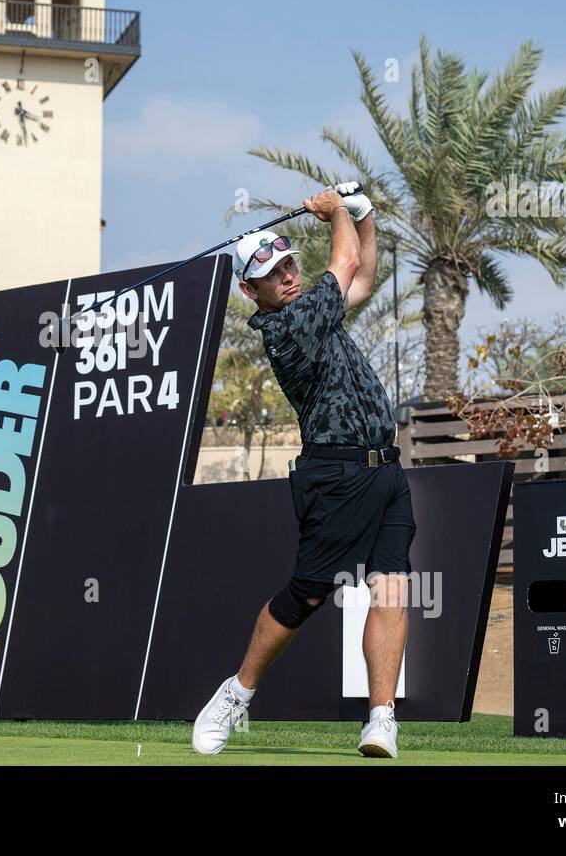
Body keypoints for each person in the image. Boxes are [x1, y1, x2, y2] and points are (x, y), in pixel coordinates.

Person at [192, 187, 413, 759]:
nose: (288, 276)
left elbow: (359, 277)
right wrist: (336, 211)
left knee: (391, 587)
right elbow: (342, 265)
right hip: (335, 475)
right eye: (272, 273)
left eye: (289, 264)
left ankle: (381, 720)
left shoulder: (316, 307)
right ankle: (236, 694)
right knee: (306, 597)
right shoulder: (287, 330)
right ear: (251, 290)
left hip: (386, 470)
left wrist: (364, 216)